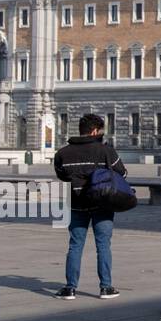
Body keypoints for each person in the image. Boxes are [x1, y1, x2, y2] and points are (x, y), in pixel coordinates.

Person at [53, 114, 125, 300]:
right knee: (103, 245)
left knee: (75, 245)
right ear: (94, 131)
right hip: (102, 203)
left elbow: (62, 175)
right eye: (100, 131)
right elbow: (122, 173)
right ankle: (106, 287)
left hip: (77, 204)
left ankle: (70, 288)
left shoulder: (63, 153)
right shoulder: (105, 151)